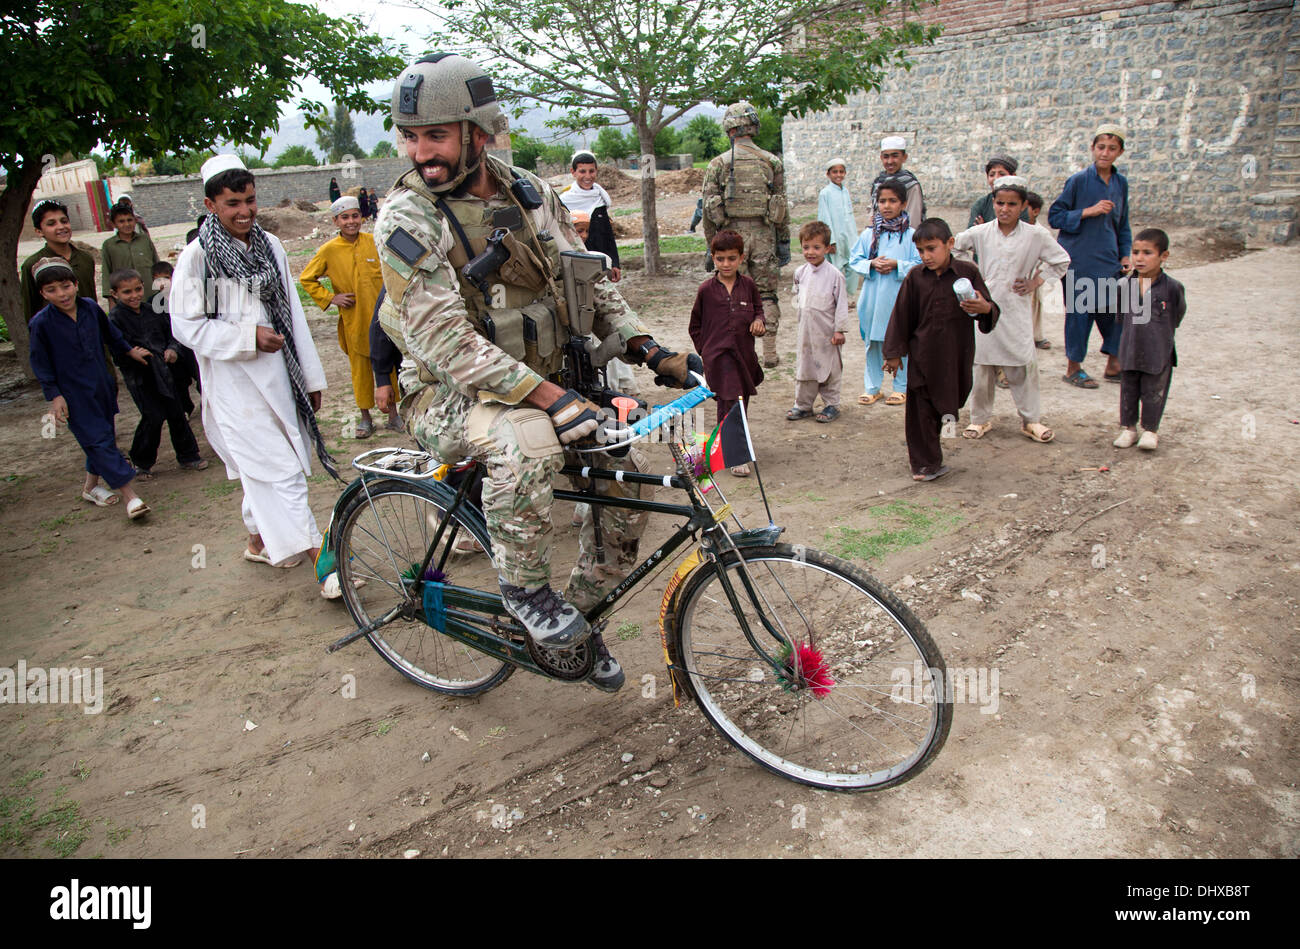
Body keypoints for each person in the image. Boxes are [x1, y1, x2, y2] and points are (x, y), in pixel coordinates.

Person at [374, 54, 700, 690]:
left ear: (478, 131)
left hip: (547, 386)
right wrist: (551, 397)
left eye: (435, 135)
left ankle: (573, 625)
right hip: (447, 395)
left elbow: (589, 280)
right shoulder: (406, 219)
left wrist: (647, 348)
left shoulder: (528, 191)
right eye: (410, 137)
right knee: (527, 443)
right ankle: (525, 592)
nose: (421, 152)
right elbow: (445, 340)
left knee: (627, 482)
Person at [170, 154, 341, 597]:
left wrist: (310, 378)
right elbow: (185, 325)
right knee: (278, 470)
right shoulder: (197, 259)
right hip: (234, 386)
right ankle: (324, 565)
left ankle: (256, 541)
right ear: (211, 205)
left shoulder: (271, 246)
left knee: (266, 468)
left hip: (282, 375)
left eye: (249, 200)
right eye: (232, 204)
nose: (244, 212)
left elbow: (293, 316)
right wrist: (247, 338)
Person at [28, 258, 151, 519]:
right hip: (73, 394)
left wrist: (130, 351)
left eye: (65, 286)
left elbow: (111, 335)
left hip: (101, 384)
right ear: (42, 293)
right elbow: (40, 364)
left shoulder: (90, 309)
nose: (61, 294)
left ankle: (90, 487)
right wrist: (55, 396)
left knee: (102, 436)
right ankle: (131, 497)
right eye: (52, 290)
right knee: (98, 441)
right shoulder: (41, 324)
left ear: (75, 284)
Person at [954, 176, 1072, 444]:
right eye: (1000, 203)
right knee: (982, 366)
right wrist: (973, 278)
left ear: (1023, 206)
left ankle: (1031, 420)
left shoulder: (1036, 235)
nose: (1005, 209)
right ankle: (980, 419)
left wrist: (1035, 281)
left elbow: (1061, 260)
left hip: (1017, 306)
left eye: (1011, 204)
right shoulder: (981, 233)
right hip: (985, 306)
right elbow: (957, 247)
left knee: (1022, 364)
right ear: (993, 203)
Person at [882, 219, 1000, 482]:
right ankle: (925, 464)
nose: (926, 256)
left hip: (954, 356)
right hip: (922, 355)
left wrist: (985, 309)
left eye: (931, 249)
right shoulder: (915, 277)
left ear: (950, 244)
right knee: (919, 409)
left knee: (948, 403)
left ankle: (935, 448)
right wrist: (893, 353)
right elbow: (901, 316)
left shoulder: (967, 274)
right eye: (921, 251)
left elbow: (989, 309)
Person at [299, 195, 399, 438]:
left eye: (355, 216)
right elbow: (306, 279)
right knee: (360, 370)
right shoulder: (328, 251)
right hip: (354, 321)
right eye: (345, 217)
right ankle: (365, 418)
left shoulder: (374, 242)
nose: (351, 221)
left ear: (362, 218)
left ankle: (394, 415)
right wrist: (331, 298)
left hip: (383, 321)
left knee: (389, 367)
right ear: (336, 221)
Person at [702, 101, 788, 368]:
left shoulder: (718, 164)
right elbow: (781, 204)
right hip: (763, 234)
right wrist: (783, 240)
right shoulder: (772, 161)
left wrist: (711, 247)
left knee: (732, 293)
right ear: (754, 127)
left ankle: (737, 349)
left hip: (729, 239)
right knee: (766, 294)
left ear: (729, 130)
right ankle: (770, 351)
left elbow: (707, 209)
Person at [1050, 123, 1131, 388]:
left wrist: (1125, 255)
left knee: (1114, 311)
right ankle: (1074, 367)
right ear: (1093, 149)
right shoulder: (1079, 181)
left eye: (1112, 148)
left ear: (1119, 152)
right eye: (1101, 147)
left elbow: (1123, 224)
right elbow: (1056, 216)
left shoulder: (1120, 184)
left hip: (1108, 260)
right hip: (1079, 260)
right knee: (1080, 314)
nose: (1105, 153)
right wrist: (1088, 211)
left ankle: (1114, 363)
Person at [106, 268, 207, 476]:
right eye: (126, 292)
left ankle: (188, 456)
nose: (134, 296)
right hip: (140, 375)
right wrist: (130, 352)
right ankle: (141, 461)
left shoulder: (153, 310)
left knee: (176, 412)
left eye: (137, 289)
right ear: (114, 294)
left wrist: (172, 350)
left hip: (165, 370)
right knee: (153, 415)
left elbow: (172, 333)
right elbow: (115, 346)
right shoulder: (114, 319)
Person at [689, 229, 765, 474]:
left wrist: (759, 322)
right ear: (713, 258)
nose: (726, 264)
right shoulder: (706, 290)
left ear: (741, 258)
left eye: (731, 258)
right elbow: (695, 326)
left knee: (740, 402)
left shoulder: (749, 286)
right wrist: (706, 351)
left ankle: (725, 443)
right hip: (719, 359)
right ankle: (734, 456)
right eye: (720, 259)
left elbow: (759, 311)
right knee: (730, 402)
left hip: (744, 356)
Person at [1113, 228, 1186, 451]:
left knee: (1154, 391)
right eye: (1136, 252)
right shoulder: (1124, 285)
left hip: (1159, 350)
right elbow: (1120, 317)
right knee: (1129, 389)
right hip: (1130, 348)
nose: (1140, 258)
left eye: (1147, 253)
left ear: (1163, 256)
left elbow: (1177, 315)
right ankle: (1129, 429)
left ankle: (1150, 430)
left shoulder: (1172, 287)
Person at [849, 179, 919, 407]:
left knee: (902, 342)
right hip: (872, 298)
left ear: (903, 203)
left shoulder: (911, 236)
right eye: (882, 201)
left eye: (892, 201)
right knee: (872, 343)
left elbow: (919, 264)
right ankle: (872, 387)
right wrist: (871, 264)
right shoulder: (869, 235)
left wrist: (898, 265)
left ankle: (900, 387)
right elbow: (854, 260)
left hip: (899, 298)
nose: (887, 206)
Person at [785, 221, 851, 424]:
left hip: (827, 333)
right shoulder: (800, 273)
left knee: (830, 368)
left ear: (827, 248)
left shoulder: (835, 275)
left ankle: (831, 404)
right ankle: (803, 405)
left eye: (816, 247)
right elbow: (798, 299)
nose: (810, 252)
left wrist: (839, 330)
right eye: (806, 247)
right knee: (805, 368)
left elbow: (841, 304)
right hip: (806, 331)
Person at [20, 199, 96, 322]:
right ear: (39, 231)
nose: (61, 227)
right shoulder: (33, 265)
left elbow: (92, 298)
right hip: (55, 334)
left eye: (64, 221)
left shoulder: (85, 258)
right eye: (51, 224)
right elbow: (30, 310)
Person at [147, 260, 200, 418]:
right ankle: (186, 407)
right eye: (158, 279)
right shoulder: (152, 302)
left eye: (166, 277)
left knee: (199, 373)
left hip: (189, 343)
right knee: (179, 380)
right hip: (170, 346)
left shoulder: (187, 295)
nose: (163, 283)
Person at [560, 151, 621, 281]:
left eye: (591, 171)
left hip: (601, 263)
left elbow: (607, 233)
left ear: (596, 171)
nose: (588, 176)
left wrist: (615, 263)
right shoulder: (564, 202)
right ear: (573, 172)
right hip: (577, 265)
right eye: (582, 171)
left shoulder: (600, 198)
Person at [101, 203, 159, 304]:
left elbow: (157, 264)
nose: (127, 224)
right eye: (121, 221)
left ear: (135, 220)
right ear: (114, 224)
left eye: (129, 220)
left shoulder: (145, 240)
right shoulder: (109, 245)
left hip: (150, 294)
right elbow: (106, 273)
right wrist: (111, 301)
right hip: (126, 299)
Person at [817, 158, 860, 295]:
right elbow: (824, 217)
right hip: (835, 238)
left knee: (853, 266)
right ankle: (836, 297)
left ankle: (849, 295)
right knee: (835, 269)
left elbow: (849, 217)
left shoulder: (845, 191)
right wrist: (830, 240)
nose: (838, 175)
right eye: (835, 172)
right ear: (828, 174)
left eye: (841, 172)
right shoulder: (826, 193)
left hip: (849, 237)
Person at [870, 136, 925, 226]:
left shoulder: (910, 184)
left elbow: (913, 218)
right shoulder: (878, 183)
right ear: (881, 158)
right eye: (886, 157)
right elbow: (874, 211)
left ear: (904, 157)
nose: (890, 161)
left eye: (895, 156)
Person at [968, 155, 1029, 229]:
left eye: (1002, 174)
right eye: (992, 175)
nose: (996, 178)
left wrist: (985, 229)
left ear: (1013, 176)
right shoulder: (980, 205)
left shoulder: (1020, 203)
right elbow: (973, 234)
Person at [1025, 192, 1052, 350]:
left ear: (1035, 211)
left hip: (1035, 275)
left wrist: (1039, 274)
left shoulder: (1042, 233)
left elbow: (1051, 259)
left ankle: (1036, 336)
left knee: (1035, 306)